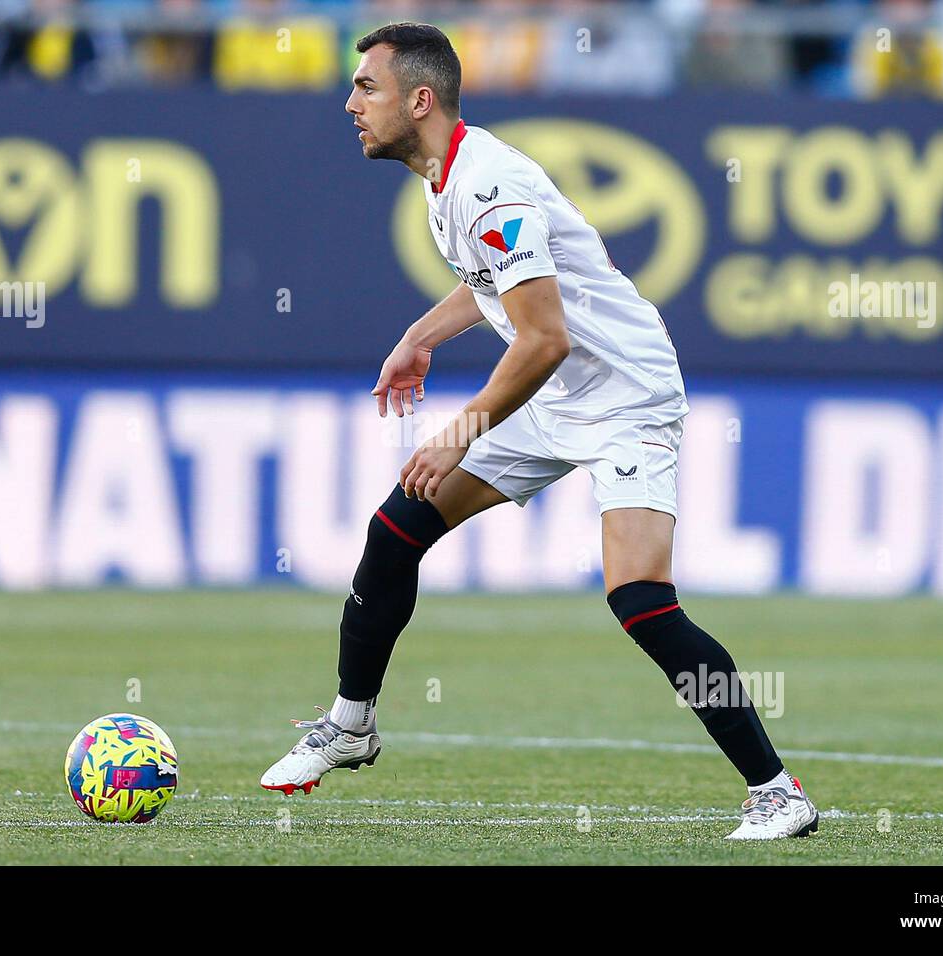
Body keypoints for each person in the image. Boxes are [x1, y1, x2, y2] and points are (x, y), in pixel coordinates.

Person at [260, 21, 818, 840]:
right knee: (396, 529)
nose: (351, 104)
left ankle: (777, 791)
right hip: (553, 393)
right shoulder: (444, 176)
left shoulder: (487, 184)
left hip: (625, 395)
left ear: (420, 100)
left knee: (640, 599)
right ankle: (350, 724)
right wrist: (421, 335)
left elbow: (544, 337)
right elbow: (493, 285)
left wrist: (459, 431)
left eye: (366, 88)